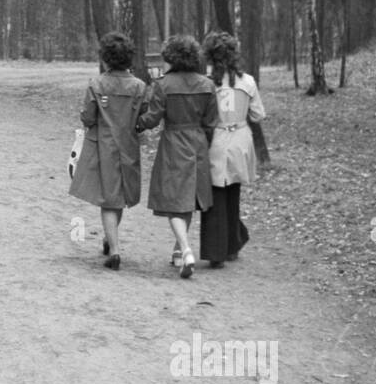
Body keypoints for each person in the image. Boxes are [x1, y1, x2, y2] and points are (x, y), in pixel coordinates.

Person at [137, 35, 218, 279]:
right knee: (189, 197)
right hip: (198, 143)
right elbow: (212, 121)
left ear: (171, 57)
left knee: (173, 198)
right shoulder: (207, 84)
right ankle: (177, 251)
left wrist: (134, 124)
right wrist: (204, 142)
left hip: (173, 142)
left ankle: (185, 249)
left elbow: (152, 118)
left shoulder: (164, 85)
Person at [69, 32, 151, 271]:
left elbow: (87, 117)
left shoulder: (97, 84)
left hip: (103, 146)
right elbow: (143, 115)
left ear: (105, 58)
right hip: (128, 146)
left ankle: (114, 250)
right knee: (119, 198)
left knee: (108, 199)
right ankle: (110, 237)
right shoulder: (139, 87)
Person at [200, 31, 266, 268]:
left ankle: (216, 249)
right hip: (240, 138)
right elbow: (258, 114)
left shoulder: (207, 83)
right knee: (233, 193)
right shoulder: (247, 81)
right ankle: (231, 244)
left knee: (215, 194)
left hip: (216, 138)